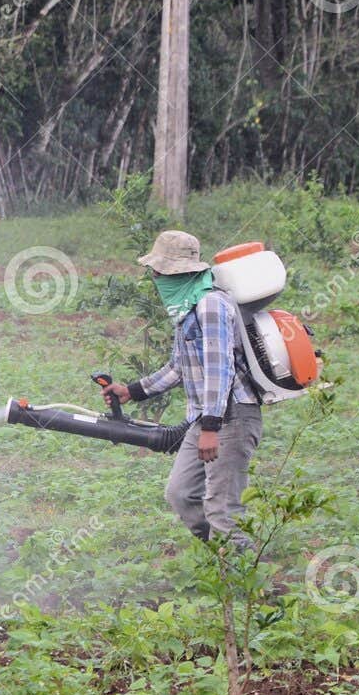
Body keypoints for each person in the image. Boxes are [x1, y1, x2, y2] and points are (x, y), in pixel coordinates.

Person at [103, 230, 261, 550]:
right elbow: (178, 366)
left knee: (222, 508)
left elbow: (220, 370)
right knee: (180, 493)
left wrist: (211, 427)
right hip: (207, 417)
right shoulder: (187, 305)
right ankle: (223, 555)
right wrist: (132, 391)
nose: (155, 277)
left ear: (175, 271)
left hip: (230, 416)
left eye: (158, 271)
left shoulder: (211, 304)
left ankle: (242, 578)